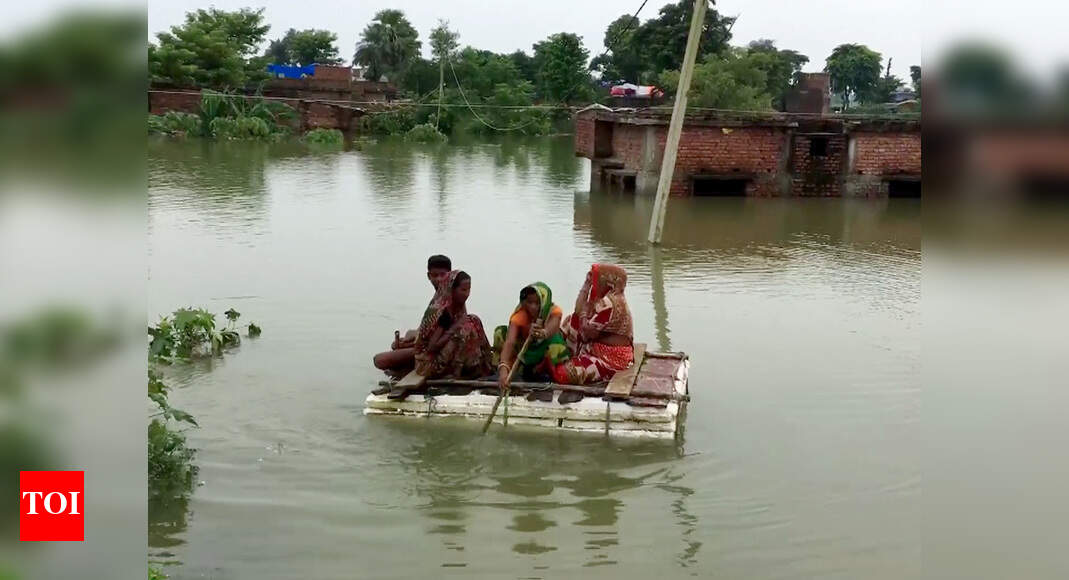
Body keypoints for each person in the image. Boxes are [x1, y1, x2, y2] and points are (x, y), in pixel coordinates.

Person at [551, 264, 635, 400]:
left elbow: (587, 333)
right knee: (572, 320)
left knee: (563, 373)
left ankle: (563, 358)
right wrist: (586, 285)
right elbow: (578, 311)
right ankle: (564, 354)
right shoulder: (608, 297)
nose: (595, 283)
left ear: (607, 282)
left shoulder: (610, 302)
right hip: (600, 348)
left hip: (611, 359)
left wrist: (584, 313)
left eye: (596, 279)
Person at [373, 255, 452, 377]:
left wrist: (416, 343)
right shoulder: (439, 294)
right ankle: (406, 365)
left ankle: (408, 369)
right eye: (435, 275)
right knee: (407, 336)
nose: (439, 279)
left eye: (443, 275)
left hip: (439, 348)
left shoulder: (450, 297)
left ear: (450, 274)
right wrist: (411, 340)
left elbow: (442, 336)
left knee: (379, 360)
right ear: (428, 276)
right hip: (432, 340)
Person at [493, 283, 571, 398]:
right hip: (525, 351)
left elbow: (552, 328)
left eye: (537, 303)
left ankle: (552, 375)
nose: (533, 307)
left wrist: (542, 333)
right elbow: (510, 342)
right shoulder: (520, 315)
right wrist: (503, 371)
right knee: (500, 332)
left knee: (556, 343)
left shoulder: (554, 311)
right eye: (530, 303)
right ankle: (505, 370)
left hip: (544, 348)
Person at [412, 270, 493, 380]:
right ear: (452, 290)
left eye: (469, 290)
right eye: (463, 290)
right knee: (464, 329)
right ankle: (456, 373)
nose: (467, 294)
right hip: (428, 364)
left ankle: (485, 364)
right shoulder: (443, 312)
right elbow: (431, 347)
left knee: (474, 319)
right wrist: (454, 328)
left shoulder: (458, 305)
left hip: (442, 355)